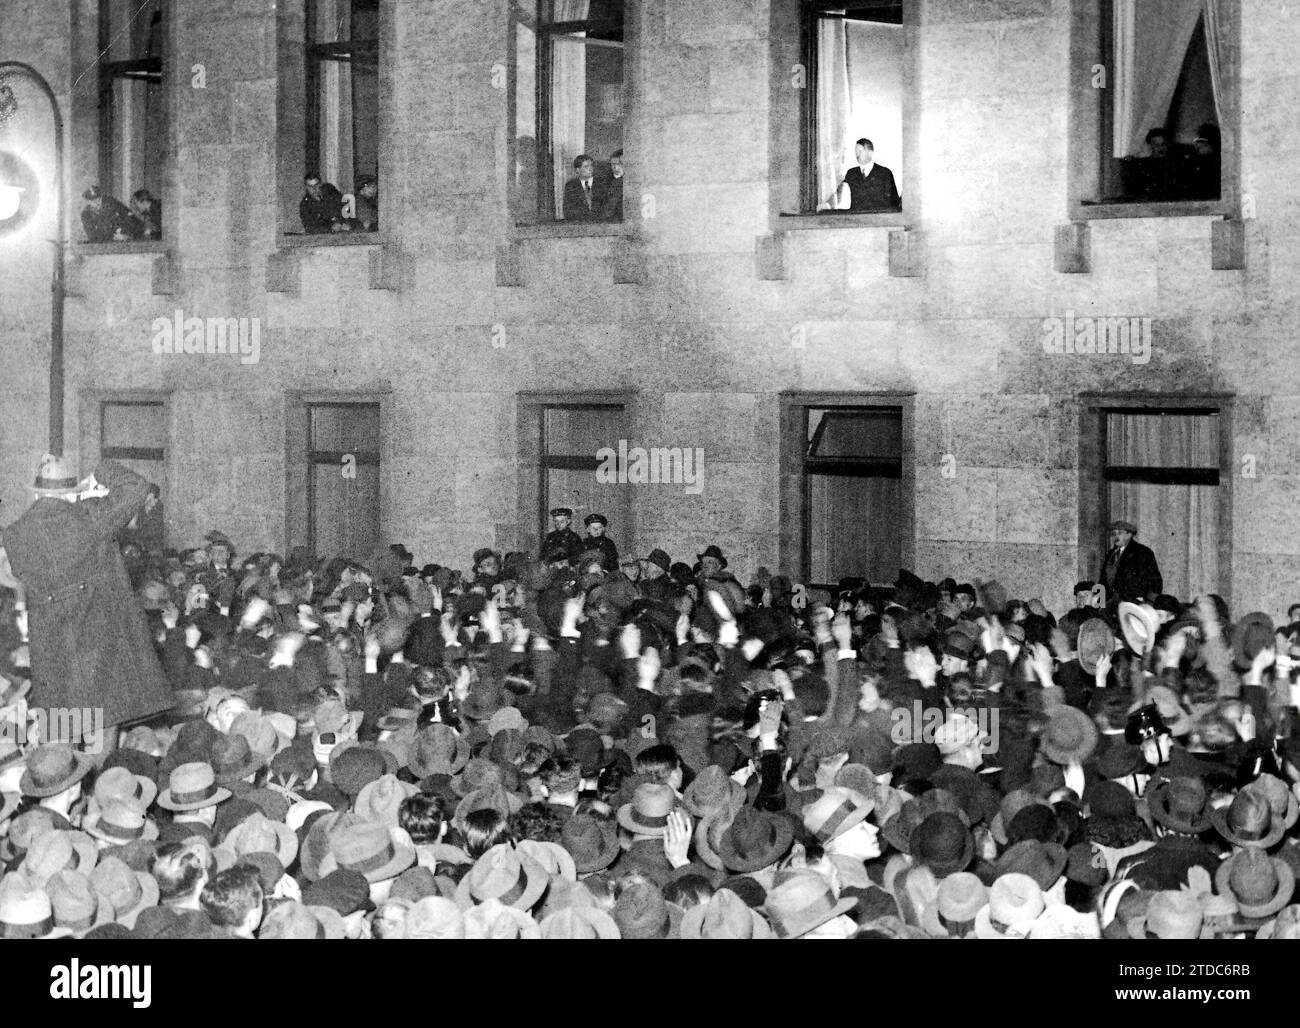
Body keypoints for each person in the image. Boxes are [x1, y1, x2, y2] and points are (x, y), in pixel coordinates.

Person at [1, 456, 174, 755]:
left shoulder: (14, 534)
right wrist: (100, 471)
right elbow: (136, 486)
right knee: (100, 749)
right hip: (99, 650)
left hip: (53, 657)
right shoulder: (90, 517)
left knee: (61, 749)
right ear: (72, 491)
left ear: (36, 492)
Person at [1098, 520, 1162, 603]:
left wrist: (1149, 602)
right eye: (1113, 534)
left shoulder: (1142, 552)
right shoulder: (1110, 554)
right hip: (1111, 602)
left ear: (1129, 535)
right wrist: (1101, 603)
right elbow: (1103, 581)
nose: (1116, 537)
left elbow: (1155, 580)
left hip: (1133, 602)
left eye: (1120, 533)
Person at [831, 139, 901, 212]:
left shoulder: (885, 173)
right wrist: (827, 204)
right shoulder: (851, 173)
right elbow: (839, 194)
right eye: (856, 151)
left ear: (870, 153)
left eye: (860, 151)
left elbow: (894, 203)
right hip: (856, 220)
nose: (857, 154)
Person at [562, 155, 606, 222]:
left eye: (591, 165)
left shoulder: (602, 183)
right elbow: (568, 210)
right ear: (578, 170)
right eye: (586, 167)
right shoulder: (570, 186)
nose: (590, 169)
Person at [601, 149, 624, 222]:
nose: (615, 167)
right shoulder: (604, 182)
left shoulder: (631, 181)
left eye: (619, 164)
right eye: (613, 164)